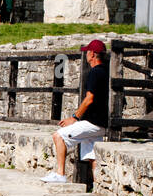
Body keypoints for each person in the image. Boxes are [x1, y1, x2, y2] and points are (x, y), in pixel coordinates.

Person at [42, 39, 109, 184]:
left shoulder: (95, 72)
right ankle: (97, 185)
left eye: (87, 52)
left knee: (58, 136)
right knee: (92, 154)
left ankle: (60, 174)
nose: (86, 55)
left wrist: (74, 118)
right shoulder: (106, 72)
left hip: (94, 122)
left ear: (92, 54)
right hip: (103, 123)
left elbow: (89, 99)